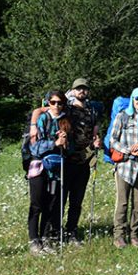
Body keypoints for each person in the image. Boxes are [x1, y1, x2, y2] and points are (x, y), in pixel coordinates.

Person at [109, 88, 138, 248]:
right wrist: (128, 150)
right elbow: (113, 140)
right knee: (122, 203)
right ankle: (119, 235)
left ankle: (134, 235)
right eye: (137, 99)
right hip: (125, 166)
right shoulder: (122, 116)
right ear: (132, 100)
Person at [27, 91, 73, 255]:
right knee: (37, 203)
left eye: (60, 103)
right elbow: (34, 147)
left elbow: (71, 149)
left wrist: (66, 142)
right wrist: (55, 143)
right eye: (53, 102)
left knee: (52, 204)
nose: (56, 106)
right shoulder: (41, 119)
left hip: (56, 169)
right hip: (39, 167)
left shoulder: (66, 121)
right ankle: (34, 240)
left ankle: (46, 237)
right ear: (48, 103)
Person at [63, 78, 102, 244]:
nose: (82, 91)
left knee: (76, 201)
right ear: (72, 91)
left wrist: (96, 142)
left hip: (84, 160)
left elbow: (95, 131)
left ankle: (71, 231)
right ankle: (55, 231)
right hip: (66, 160)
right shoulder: (66, 109)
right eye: (78, 89)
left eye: (84, 89)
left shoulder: (92, 111)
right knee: (61, 199)